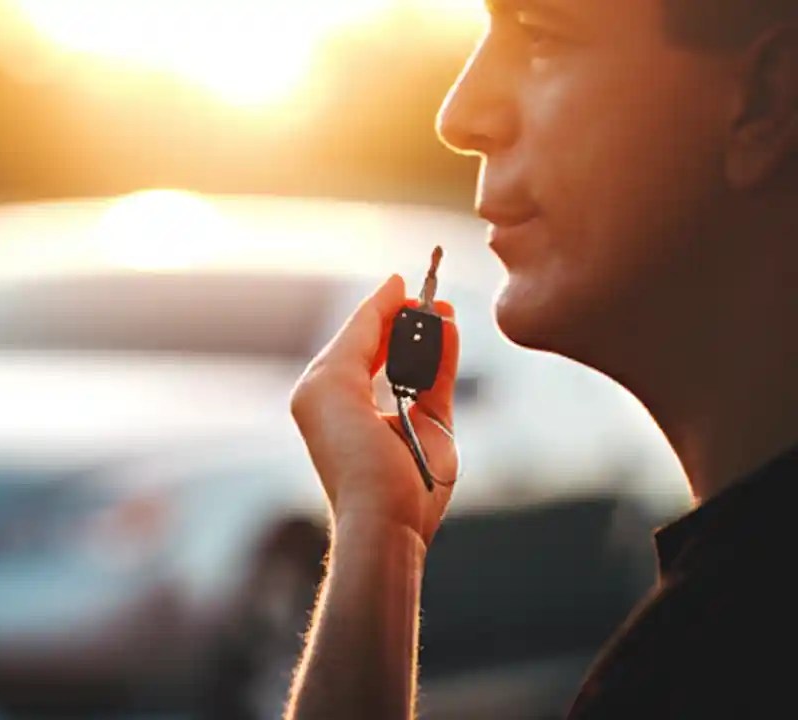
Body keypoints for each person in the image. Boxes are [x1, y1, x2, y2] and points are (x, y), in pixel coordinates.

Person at [285, 0, 798, 717]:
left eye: (543, 35)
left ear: (766, 98)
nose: (458, 115)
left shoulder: (722, 660)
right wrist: (384, 535)